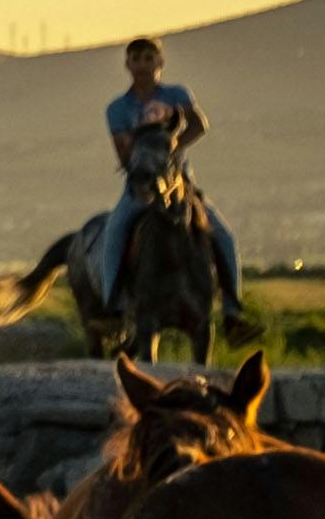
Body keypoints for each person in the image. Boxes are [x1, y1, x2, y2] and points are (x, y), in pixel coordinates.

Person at [101, 33, 239, 328]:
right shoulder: (118, 108)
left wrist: (171, 147)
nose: (142, 64)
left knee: (223, 235)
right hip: (139, 188)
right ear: (127, 63)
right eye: (136, 58)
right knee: (114, 232)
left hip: (180, 183)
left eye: (148, 58)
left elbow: (199, 124)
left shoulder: (177, 95)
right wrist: (145, 162)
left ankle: (232, 309)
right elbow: (124, 151)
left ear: (160, 61)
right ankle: (112, 307)